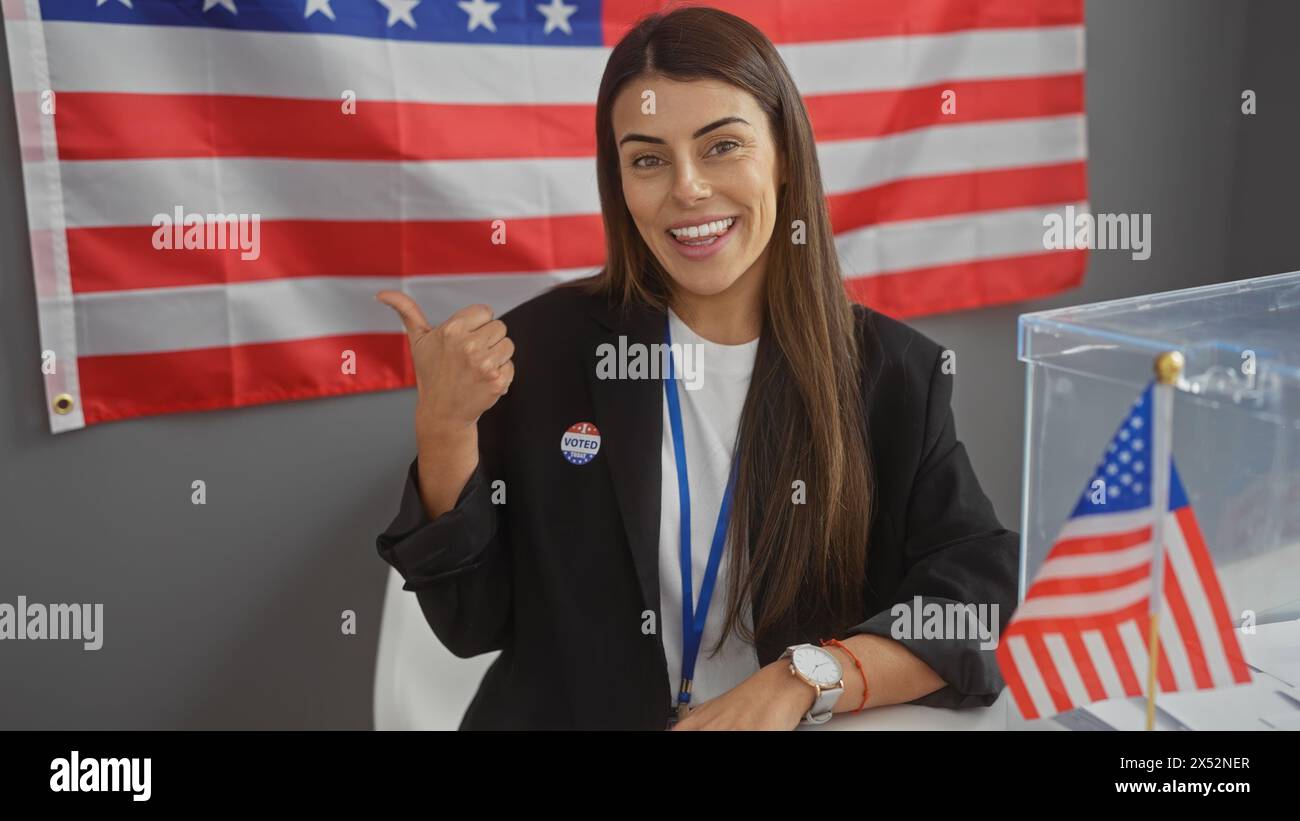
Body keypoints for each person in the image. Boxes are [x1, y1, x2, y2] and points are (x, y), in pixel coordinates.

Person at [375, 7, 1017, 731]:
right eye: (648, 158)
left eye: (721, 147)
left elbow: (970, 601)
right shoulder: (537, 351)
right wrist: (444, 426)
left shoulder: (895, 373)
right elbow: (470, 624)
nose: (687, 189)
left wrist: (805, 675)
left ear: (783, 154)